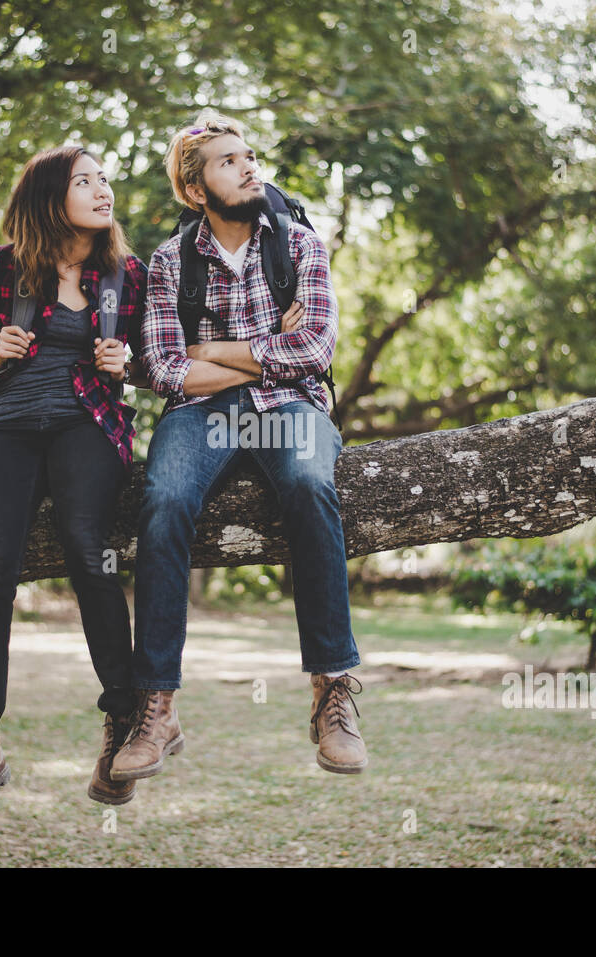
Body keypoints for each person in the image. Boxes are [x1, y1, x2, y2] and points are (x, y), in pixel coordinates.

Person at [111, 111, 367, 785]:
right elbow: (163, 369)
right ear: (196, 191)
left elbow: (315, 350)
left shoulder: (301, 245)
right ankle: (157, 706)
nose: (249, 167)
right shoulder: (170, 262)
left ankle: (332, 690)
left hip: (291, 409)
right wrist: (261, 356)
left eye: (250, 156)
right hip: (202, 412)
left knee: (312, 485)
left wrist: (214, 349)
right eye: (229, 161)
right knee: (163, 499)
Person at [0, 145, 151, 814]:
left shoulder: (127, 274)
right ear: (49, 195)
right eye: (83, 180)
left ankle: (122, 722)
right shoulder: (5, 266)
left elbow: (159, 358)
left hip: (88, 417)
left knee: (89, 547)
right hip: (6, 418)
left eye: (103, 178)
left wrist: (127, 361)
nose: (101, 189)